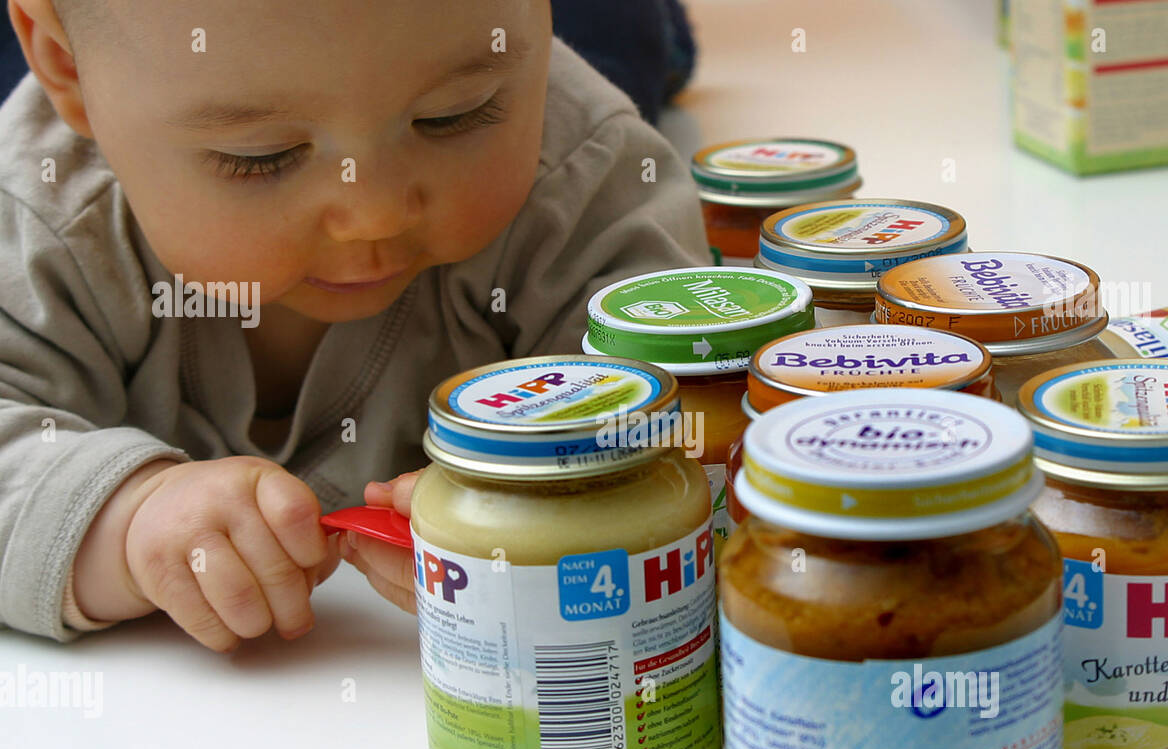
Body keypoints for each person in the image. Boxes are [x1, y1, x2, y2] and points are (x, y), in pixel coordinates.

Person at [0, 0, 710, 651]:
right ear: (65, 66)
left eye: (453, 115)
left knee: (623, 34)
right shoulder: (41, 219)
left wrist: (561, 515)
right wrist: (124, 519)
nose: (372, 213)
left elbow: (692, 424)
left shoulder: (584, 175)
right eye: (263, 156)